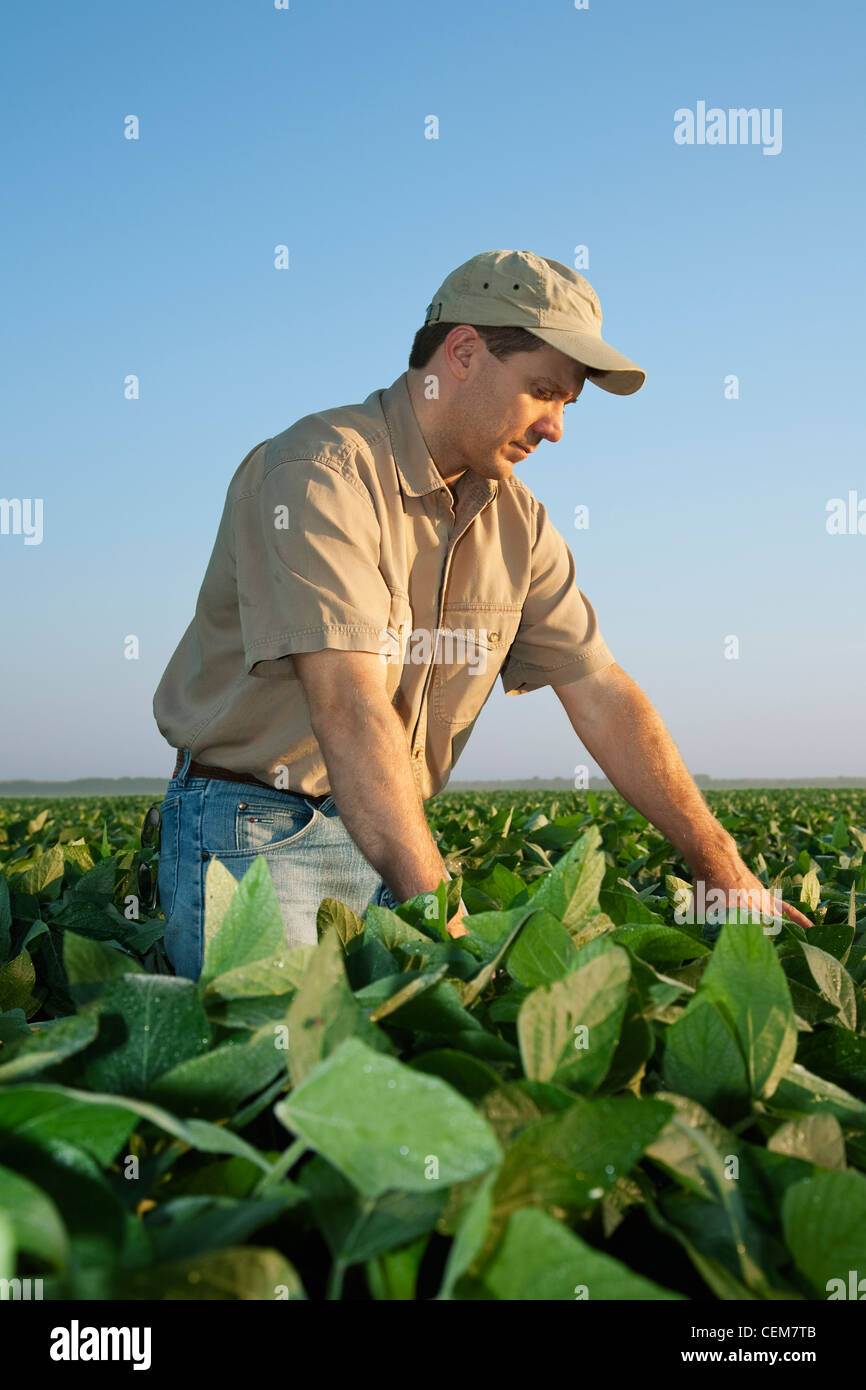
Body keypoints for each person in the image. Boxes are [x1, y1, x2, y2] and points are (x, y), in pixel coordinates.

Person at [152, 248, 810, 980]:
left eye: (566, 402)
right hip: (261, 831)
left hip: (392, 829)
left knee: (400, 1075)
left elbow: (602, 692)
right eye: (542, 392)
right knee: (280, 1074)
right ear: (463, 352)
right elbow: (349, 705)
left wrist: (721, 866)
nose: (556, 427)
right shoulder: (320, 472)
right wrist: (443, 917)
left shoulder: (517, 521)